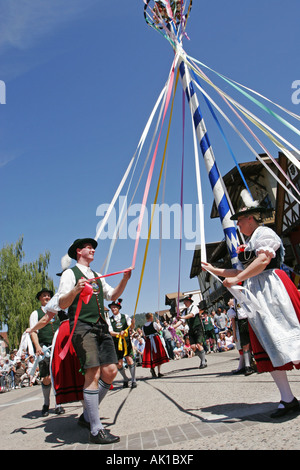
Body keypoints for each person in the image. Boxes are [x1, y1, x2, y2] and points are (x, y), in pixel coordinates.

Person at [202, 192, 300, 418]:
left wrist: (237, 279)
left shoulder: (263, 233)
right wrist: (214, 270)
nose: (237, 224)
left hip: (273, 289)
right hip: (258, 293)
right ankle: (287, 398)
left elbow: (263, 261)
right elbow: (239, 271)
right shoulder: (249, 241)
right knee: (269, 341)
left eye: (239, 220)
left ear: (250, 218)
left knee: (290, 333)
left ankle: (288, 399)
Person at [56, 238, 132, 444]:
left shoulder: (98, 275)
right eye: (89, 247)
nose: (93, 250)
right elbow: (62, 303)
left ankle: (88, 415)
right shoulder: (70, 274)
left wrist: (124, 279)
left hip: (101, 326)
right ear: (79, 251)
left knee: (111, 371)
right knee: (93, 371)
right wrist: (75, 290)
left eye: (93, 247)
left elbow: (111, 295)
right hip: (81, 326)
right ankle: (96, 429)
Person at [29, 288, 65, 416]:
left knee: (58, 375)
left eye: (49, 295)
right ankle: (46, 403)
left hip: (58, 346)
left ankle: (58, 404)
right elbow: (33, 331)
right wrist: (37, 346)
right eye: (44, 296)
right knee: (46, 378)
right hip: (45, 348)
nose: (47, 297)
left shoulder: (57, 311)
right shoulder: (35, 313)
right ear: (40, 298)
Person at [107, 299, 137, 389]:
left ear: (118, 308)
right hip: (116, 343)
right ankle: (125, 378)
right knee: (119, 364)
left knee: (129, 359)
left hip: (126, 341)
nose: (113, 309)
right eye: (112, 307)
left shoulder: (125, 316)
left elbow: (131, 327)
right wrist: (118, 334)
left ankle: (133, 380)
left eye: (114, 307)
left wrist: (133, 324)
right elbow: (110, 331)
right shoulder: (109, 320)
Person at [173, 296, 207, 369]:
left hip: (198, 328)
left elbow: (191, 315)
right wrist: (174, 327)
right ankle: (202, 358)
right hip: (191, 329)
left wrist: (182, 317)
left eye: (185, 301)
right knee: (193, 347)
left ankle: (203, 362)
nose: (184, 303)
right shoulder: (185, 311)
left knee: (198, 344)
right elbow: (181, 321)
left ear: (189, 301)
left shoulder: (194, 307)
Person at [227, 298, 255, 376]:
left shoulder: (240, 298)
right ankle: (246, 366)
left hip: (247, 322)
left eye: (230, 300)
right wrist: (234, 334)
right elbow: (233, 322)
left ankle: (247, 365)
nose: (229, 301)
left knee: (249, 345)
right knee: (244, 346)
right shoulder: (233, 309)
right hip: (240, 326)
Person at [142, 313, 169, 377]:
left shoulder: (143, 326)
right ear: (151, 317)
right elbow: (160, 329)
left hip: (149, 341)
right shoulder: (154, 323)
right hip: (155, 339)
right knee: (158, 355)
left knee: (151, 356)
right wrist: (158, 323)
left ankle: (152, 368)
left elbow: (144, 336)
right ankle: (159, 372)